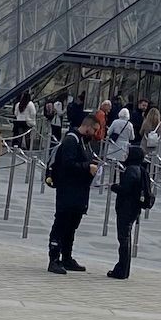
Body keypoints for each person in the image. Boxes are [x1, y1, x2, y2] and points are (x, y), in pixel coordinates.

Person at [47, 117, 98, 274]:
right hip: (67, 190)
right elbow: (67, 165)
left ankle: (67, 257)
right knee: (61, 223)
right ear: (87, 127)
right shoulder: (71, 140)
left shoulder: (84, 142)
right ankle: (54, 259)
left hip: (79, 191)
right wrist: (87, 166)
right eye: (94, 130)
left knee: (72, 226)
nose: (95, 134)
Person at [108, 141, 156, 279]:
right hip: (134, 207)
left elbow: (126, 189)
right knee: (126, 237)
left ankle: (122, 269)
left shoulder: (131, 170)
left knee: (123, 238)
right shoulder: (141, 169)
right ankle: (124, 268)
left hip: (126, 207)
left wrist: (114, 187)